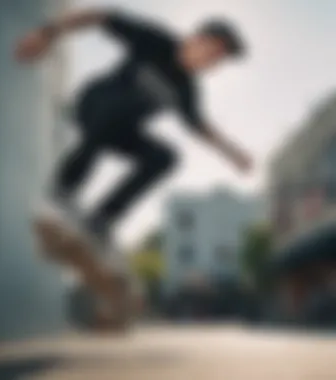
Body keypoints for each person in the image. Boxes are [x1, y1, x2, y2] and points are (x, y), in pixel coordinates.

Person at [16, 7, 253, 251]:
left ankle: (102, 219)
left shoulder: (187, 89)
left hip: (120, 131)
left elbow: (200, 126)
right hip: (93, 104)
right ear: (195, 38)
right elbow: (103, 17)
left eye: (217, 62)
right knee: (118, 109)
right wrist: (47, 34)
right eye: (211, 53)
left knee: (166, 157)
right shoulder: (156, 41)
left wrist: (233, 154)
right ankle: (64, 189)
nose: (211, 64)